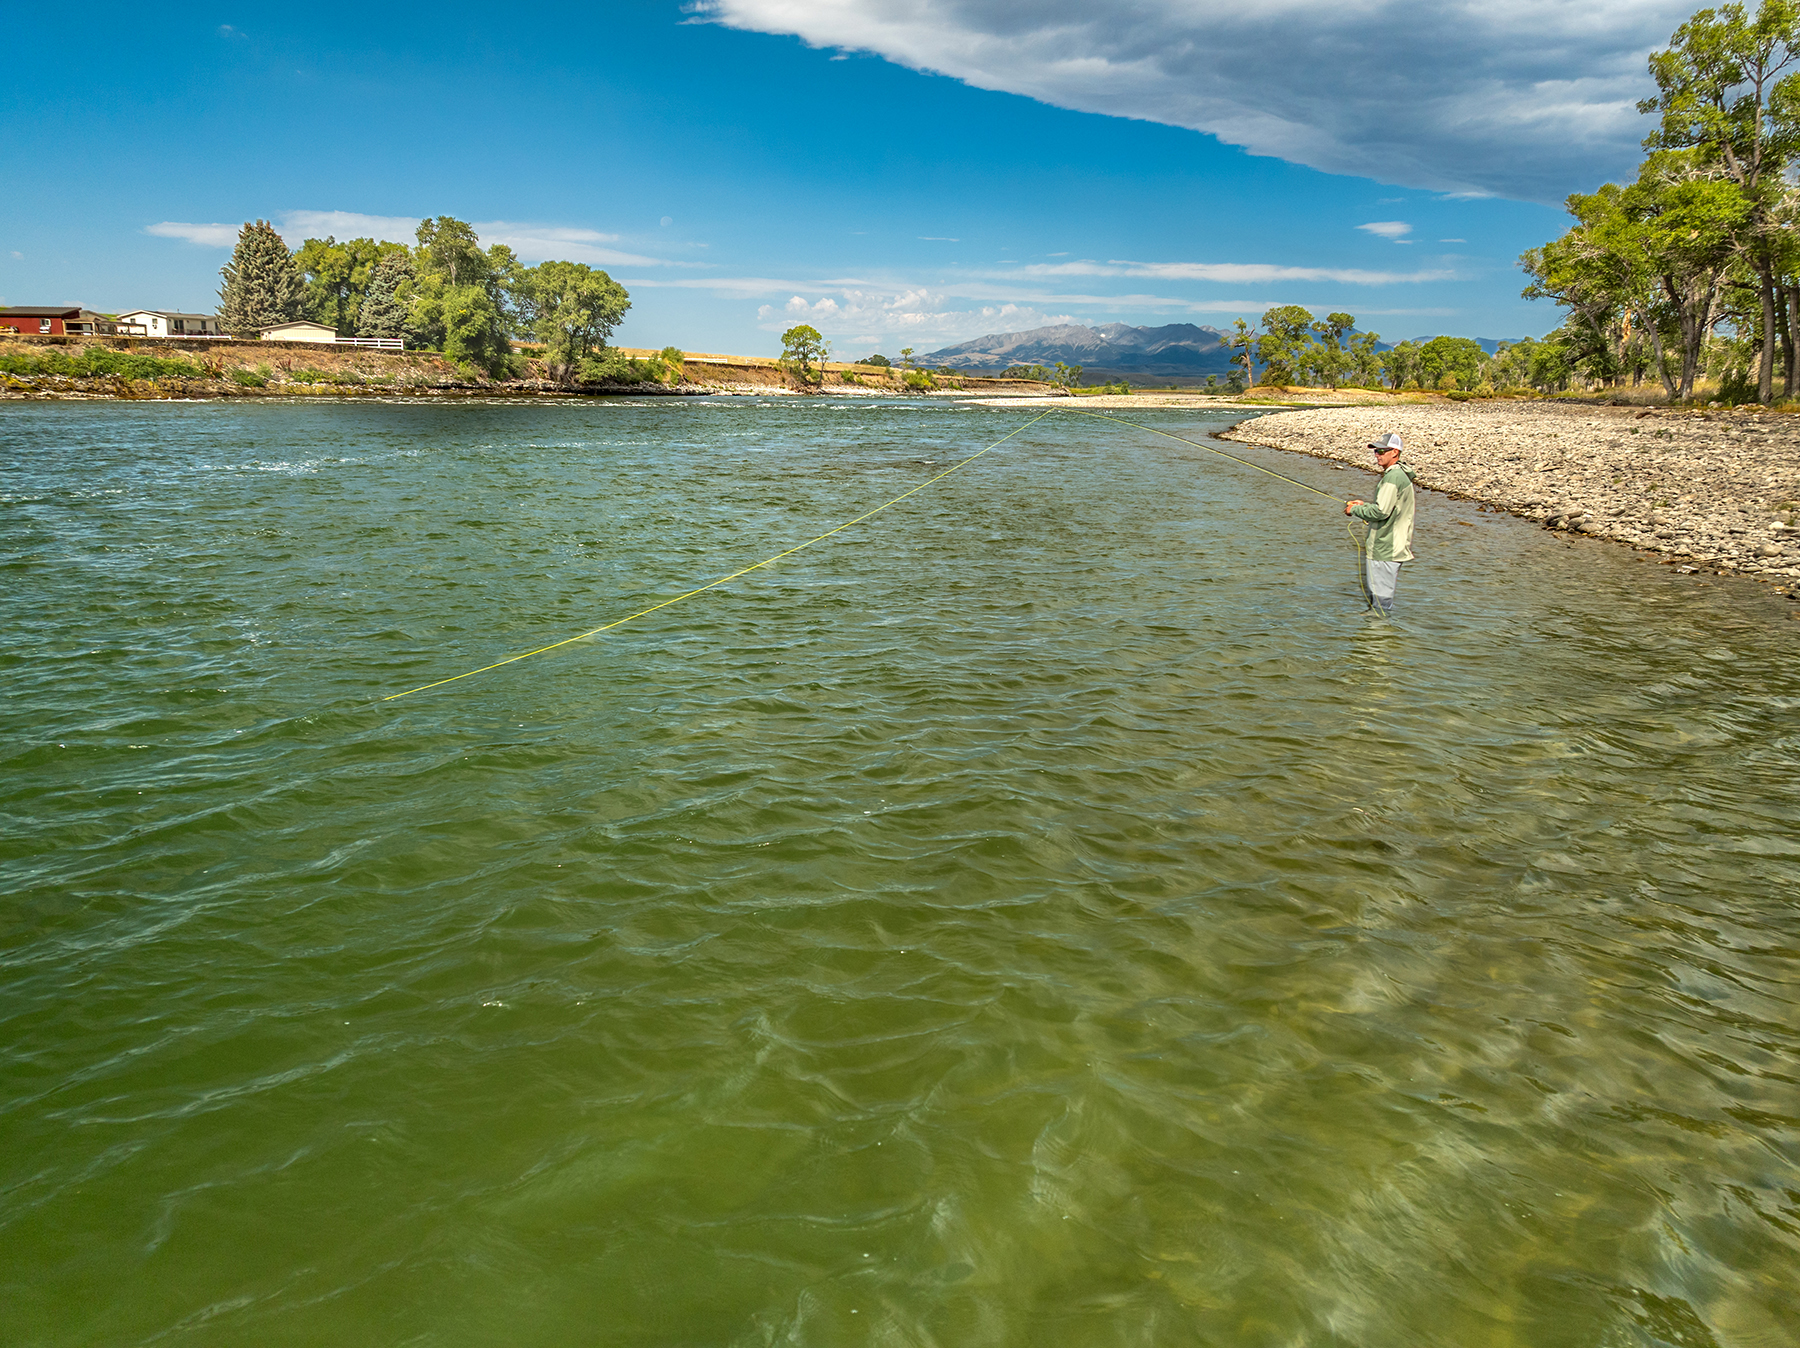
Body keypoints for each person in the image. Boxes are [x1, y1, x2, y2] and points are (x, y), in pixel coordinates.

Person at [1344, 432, 1418, 616]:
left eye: (1381, 451)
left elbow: (1381, 512)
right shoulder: (1400, 474)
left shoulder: (1393, 477)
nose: (1377, 455)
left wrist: (1354, 510)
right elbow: (1388, 508)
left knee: (1381, 603)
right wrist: (1364, 506)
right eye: (1376, 451)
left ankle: (1379, 629)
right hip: (1392, 546)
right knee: (1380, 601)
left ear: (1395, 452)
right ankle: (1377, 626)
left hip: (1385, 547)